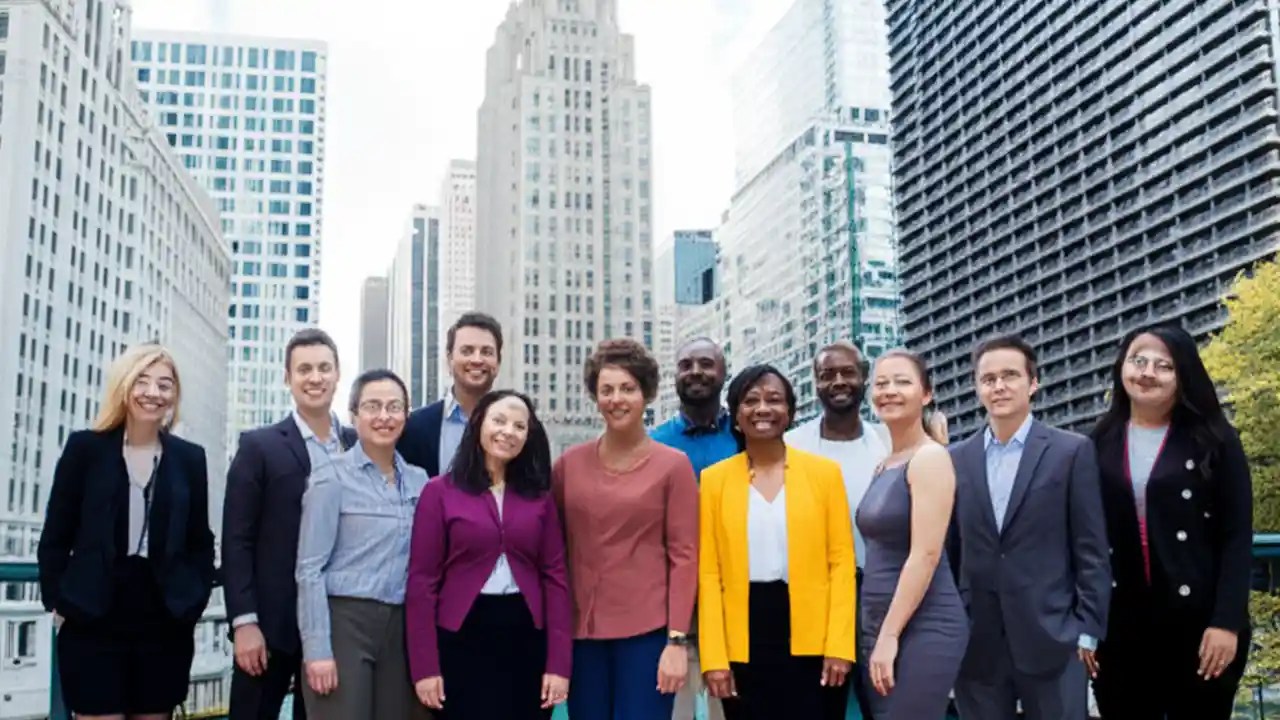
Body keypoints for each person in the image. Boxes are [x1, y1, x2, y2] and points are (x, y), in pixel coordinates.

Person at [38, 343, 216, 719]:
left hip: (164, 620)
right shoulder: (85, 449)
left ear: (174, 395)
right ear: (124, 386)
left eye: (165, 385)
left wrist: (193, 600)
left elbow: (200, 540)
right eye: (142, 381)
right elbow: (56, 534)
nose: (153, 393)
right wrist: (58, 600)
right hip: (92, 617)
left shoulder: (189, 458)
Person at [1090, 324, 1252, 719]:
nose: (1147, 373)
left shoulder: (1215, 438)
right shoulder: (1099, 440)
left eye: (1163, 366)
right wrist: (1085, 625)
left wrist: (1226, 622)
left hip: (1199, 623)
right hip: (1120, 626)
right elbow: (1084, 539)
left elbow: (1237, 534)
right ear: (1121, 368)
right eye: (1137, 361)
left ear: (1183, 376)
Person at [949, 335, 1111, 720]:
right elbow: (949, 551)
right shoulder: (954, 459)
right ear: (977, 387)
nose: (999, 386)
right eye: (988, 379)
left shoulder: (1071, 451)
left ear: (1032, 383)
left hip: (1054, 636)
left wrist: (1086, 630)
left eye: (1010, 376)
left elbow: (1091, 548)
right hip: (978, 641)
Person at [698, 364, 856, 720]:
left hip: (814, 637)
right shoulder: (713, 482)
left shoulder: (824, 474)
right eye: (750, 400)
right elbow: (709, 574)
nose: (763, 408)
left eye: (774, 400)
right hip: (744, 637)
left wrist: (840, 646)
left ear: (789, 412)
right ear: (736, 415)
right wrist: (715, 657)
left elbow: (842, 564)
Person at [552, 338, 699, 720]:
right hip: (582, 638)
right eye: (607, 389)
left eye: (627, 388)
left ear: (646, 393)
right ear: (595, 396)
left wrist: (677, 641)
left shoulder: (673, 466)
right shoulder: (568, 465)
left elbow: (685, 557)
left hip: (648, 638)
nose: (617, 399)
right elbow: (552, 551)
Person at [406, 390, 572, 719]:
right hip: (460, 638)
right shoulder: (439, 492)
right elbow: (422, 581)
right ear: (479, 423)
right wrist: (424, 667)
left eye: (519, 426)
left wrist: (558, 666)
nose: (508, 431)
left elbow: (556, 579)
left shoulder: (539, 497)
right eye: (499, 421)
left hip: (525, 637)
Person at [223, 329, 355, 720]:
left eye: (324, 368)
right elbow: (236, 539)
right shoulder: (258, 447)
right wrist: (244, 622)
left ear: (337, 374)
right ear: (288, 378)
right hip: (269, 626)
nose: (315, 378)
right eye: (304, 369)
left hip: (336, 627)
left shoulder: (358, 445)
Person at [295, 370, 429, 720]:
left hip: (401, 628)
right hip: (345, 624)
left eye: (394, 407)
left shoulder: (421, 481)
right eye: (372, 406)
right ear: (354, 415)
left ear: (406, 415)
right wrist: (317, 650)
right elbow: (309, 568)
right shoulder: (330, 476)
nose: (384, 416)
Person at [856, 350, 968, 719]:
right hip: (878, 624)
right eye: (881, 383)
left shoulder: (930, 459)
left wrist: (889, 636)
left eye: (902, 382)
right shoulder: (884, 464)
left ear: (926, 394)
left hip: (924, 625)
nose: (889, 391)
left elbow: (925, 555)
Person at [785, 341, 890, 719]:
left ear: (864, 377)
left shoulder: (890, 442)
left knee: (883, 702)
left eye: (847, 372)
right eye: (827, 375)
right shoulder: (791, 447)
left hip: (880, 594)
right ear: (815, 384)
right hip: (818, 598)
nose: (838, 381)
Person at [650, 337, 737, 720]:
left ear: (723, 372)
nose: (696, 372)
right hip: (671, 601)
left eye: (706, 363)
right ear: (674, 375)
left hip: (735, 596)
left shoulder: (748, 436)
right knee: (675, 711)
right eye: (686, 365)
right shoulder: (653, 444)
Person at [399, 312, 502, 476]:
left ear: (498, 363)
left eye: (487, 352)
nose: (477, 359)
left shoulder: (519, 428)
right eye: (467, 351)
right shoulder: (414, 427)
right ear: (449, 360)